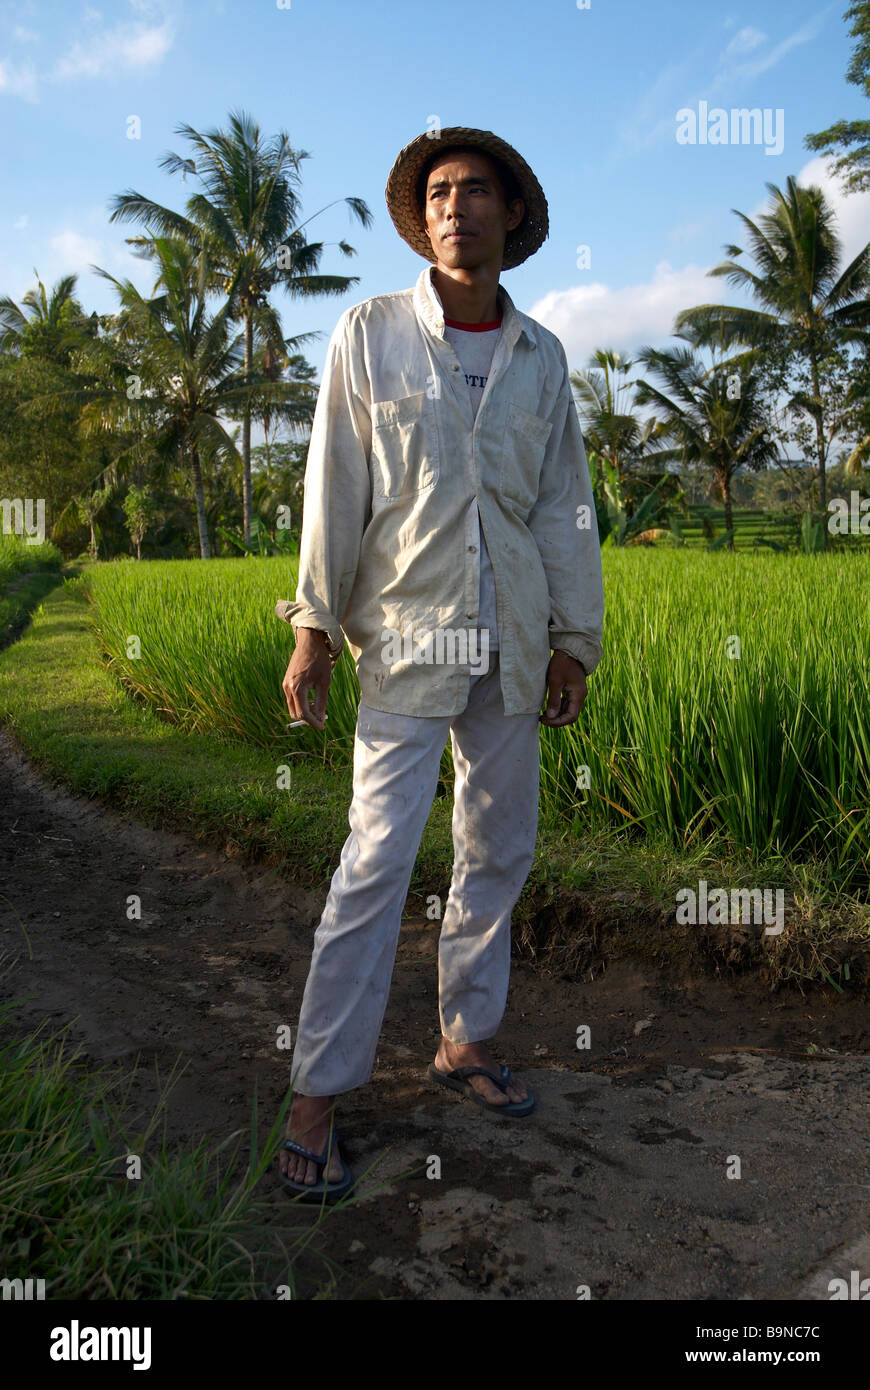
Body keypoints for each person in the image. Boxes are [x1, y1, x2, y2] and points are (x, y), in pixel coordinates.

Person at [276, 126, 604, 1201]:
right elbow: (335, 484)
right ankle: (317, 1097)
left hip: (512, 641)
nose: (457, 206)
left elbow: (563, 512)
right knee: (375, 862)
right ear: (425, 219)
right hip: (410, 638)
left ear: (512, 218)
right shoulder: (371, 336)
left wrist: (573, 643)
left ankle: (464, 1040)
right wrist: (314, 627)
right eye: (441, 192)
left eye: (477, 192)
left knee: (497, 849)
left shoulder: (544, 358)